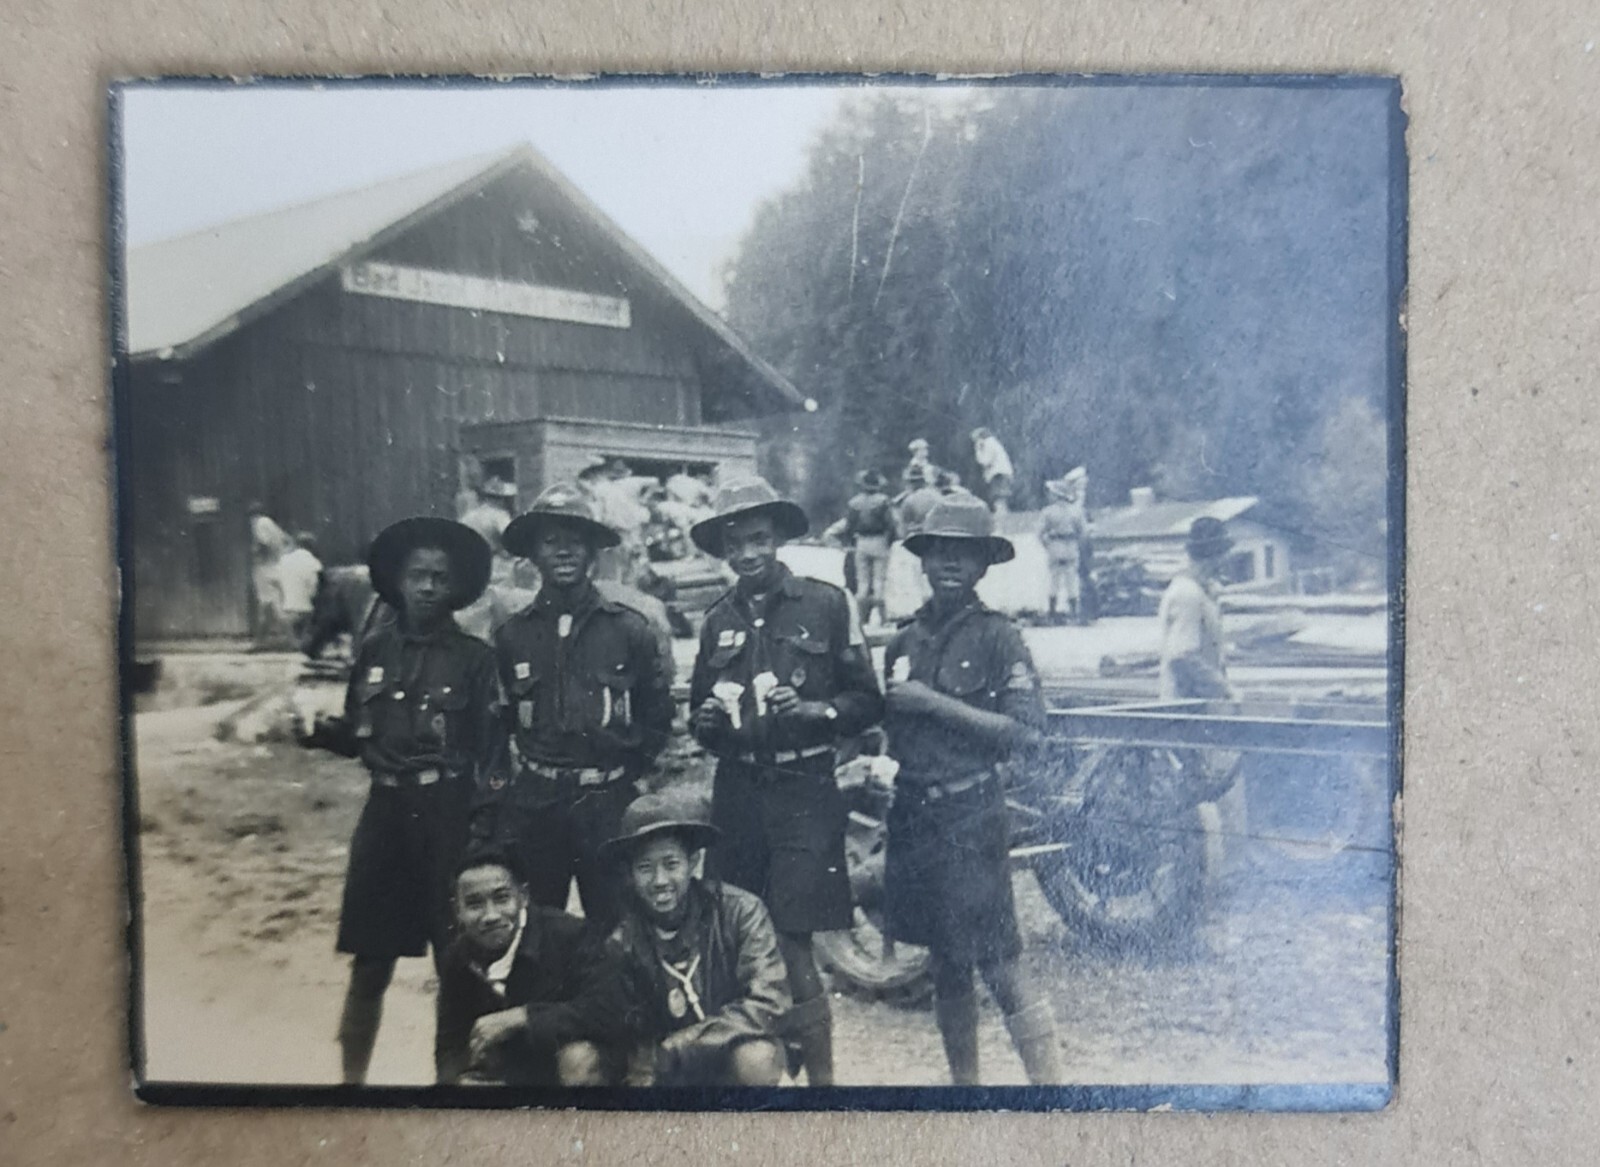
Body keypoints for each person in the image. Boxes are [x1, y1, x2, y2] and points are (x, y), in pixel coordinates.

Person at [687, 476, 884, 1086]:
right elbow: (701, 724)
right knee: (734, 932)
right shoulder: (716, 620)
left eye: (758, 539)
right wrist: (707, 723)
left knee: (794, 938)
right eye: (735, 544)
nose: (747, 554)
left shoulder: (826, 603)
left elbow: (867, 701)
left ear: (777, 539)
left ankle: (823, 1089)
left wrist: (817, 712)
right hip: (739, 792)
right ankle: (753, 1073)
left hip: (804, 788)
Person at [307, 516, 500, 1085]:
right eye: (418, 575)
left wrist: (482, 831)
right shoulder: (373, 650)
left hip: (447, 818)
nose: (428, 587)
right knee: (369, 964)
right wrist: (319, 730)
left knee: (455, 962)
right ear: (398, 581)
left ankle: (448, 1089)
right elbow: (356, 731)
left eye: (440, 577)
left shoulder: (475, 659)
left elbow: (492, 756)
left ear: (456, 586)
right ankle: (351, 1088)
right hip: (385, 818)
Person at [881, 493, 1064, 1085]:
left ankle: (1052, 1095)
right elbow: (892, 732)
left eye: (964, 553)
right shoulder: (903, 642)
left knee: (999, 961)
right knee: (945, 962)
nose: (950, 563)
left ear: (984, 564)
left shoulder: (998, 637)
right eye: (939, 551)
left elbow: (1027, 734)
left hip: (971, 813)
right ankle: (967, 1094)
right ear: (923, 559)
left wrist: (932, 703)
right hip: (916, 816)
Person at [477, 483, 675, 931]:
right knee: (537, 927)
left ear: (592, 552)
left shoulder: (629, 629)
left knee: (618, 928)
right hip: (537, 802)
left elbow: (658, 714)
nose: (563, 552)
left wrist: (626, 772)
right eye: (550, 541)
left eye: (575, 541)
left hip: (607, 800)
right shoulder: (513, 635)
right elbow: (499, 723)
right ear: (533, 554)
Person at [602, 790, 791, 1087]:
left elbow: (769, 1002)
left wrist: (683, 1044)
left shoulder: (741, 911)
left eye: (671, 864)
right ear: (631, 875)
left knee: (756, 1059)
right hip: (670, 1073)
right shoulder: (623, 942)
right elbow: (630, 1033)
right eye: (645, 868)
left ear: (693, 863)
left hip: (729, 1055)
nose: (660, 881)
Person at [435, 847, 628, 1086]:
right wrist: (458, 1080)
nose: (490, 915)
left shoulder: (569, 935)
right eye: (474, 904)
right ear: (458, 911)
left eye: (501, 898)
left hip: (567, 1069)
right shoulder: (457, 958)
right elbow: (449, 1047)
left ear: (523, 897)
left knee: (578, 1059)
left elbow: (607, 1009)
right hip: (511, 1075)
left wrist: (523, 1017)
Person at [1158, 516, 1236, 702]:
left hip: (1201, 702)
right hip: (1186, 705)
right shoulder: (1187, 594)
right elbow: (1182, 655)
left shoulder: (1201, 592)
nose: (1225, 561)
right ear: (1212, 556)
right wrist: (1222, 687)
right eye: (1222, 554)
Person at [843, 469, 895, 627]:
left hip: (861, 542)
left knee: (862, 583)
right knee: (879, 581)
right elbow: (890, 524)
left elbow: (849, 526)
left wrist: (851, 543)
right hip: (879, 540)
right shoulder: (883, 501)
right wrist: (890, 541)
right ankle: (883, 619)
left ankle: (859, 620)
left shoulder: (854, 503)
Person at [1039, 469, 1089, 625]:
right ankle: (1074, 613)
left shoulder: (1048, 512)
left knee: (1054, 580)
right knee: (1071, 580)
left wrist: (1047, 545)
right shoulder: (1075, 511)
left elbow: (1040, 532)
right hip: (1071, 545)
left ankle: (1052, 613)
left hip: (1055, 545)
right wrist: (1078, 544)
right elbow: (1083, 532)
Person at [249, 501, 293, 644]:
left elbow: (263, 543)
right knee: (276, 604)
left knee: (267, 604)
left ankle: (261, 641)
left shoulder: (259, 523)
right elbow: (288, 540)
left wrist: (256, 552)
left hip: (265, 568)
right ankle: (289, 639)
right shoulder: (273, 525)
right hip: (277, 567)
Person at [277, 531, 324, 647]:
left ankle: (294, 643)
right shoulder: (314, 562)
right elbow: (316, 587)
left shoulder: (284, 560)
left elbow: (278, 582)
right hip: (307, 611)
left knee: (295, 640)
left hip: (288, 609)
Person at [969, 427, 1015, 514]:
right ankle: (1003, 515)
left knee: (998, 497)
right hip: (1003, 473)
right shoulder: (994, 443)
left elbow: (984, 461)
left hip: (998, 474)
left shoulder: (988, 444)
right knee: (1000, 498)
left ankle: (1001, 515)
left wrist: (977, 449)